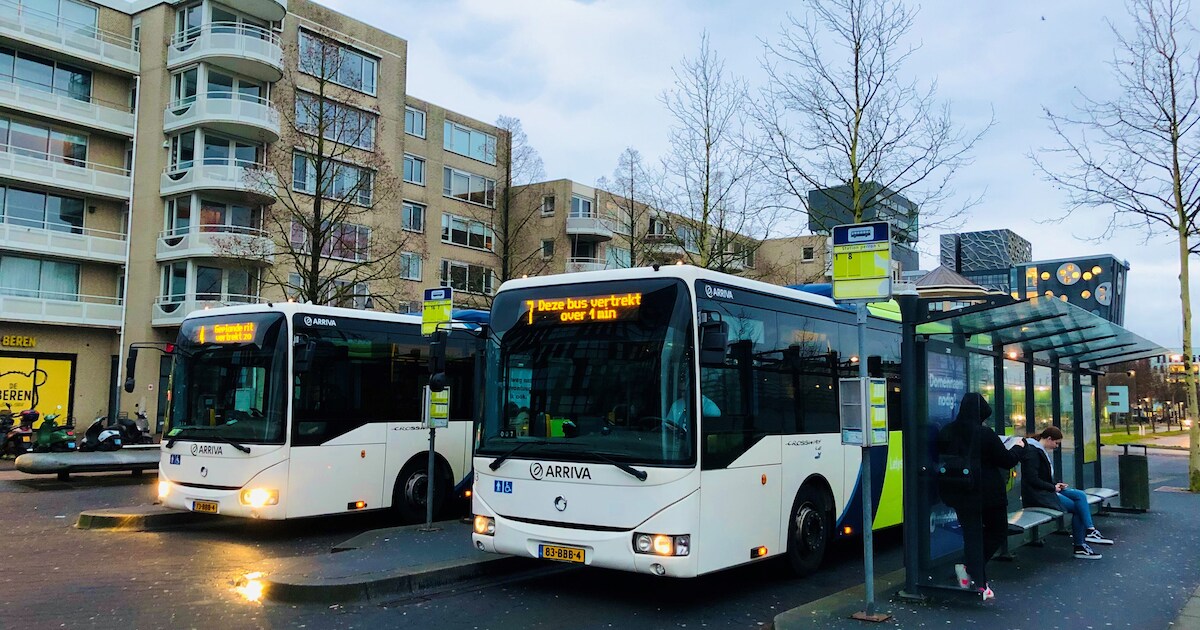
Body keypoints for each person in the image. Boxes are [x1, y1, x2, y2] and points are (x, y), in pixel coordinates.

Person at [936, 392, 1025, 601]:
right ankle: (977, 579)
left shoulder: (947, 431)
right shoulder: (985, 434)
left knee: (972, 535)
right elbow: (1007, 460)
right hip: (988, 494)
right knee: (997, 530)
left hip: (959, 491)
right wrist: (1019, 448)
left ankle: (975, 575)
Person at [1020, 426, 1113, 559]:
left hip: (1046, 491)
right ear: (1049, 439)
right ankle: (1080, 545)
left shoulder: (1038, 449)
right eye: (1056, 443)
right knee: (1077, 508)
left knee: (1080, 495)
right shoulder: (1033, 452)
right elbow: (1032, 479)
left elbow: (1041, 478)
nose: (1056, 446)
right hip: (1038, 496)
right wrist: (1053, 488)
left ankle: (1090, 530)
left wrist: (1055, 485)